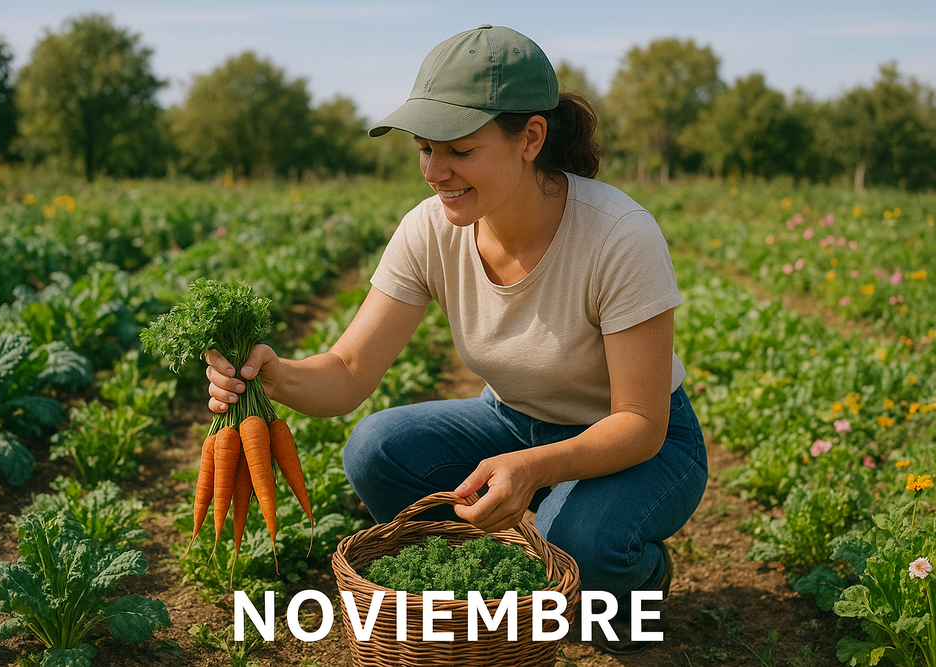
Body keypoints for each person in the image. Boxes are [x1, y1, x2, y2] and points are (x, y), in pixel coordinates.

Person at [205, 24, 707, 655]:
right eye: (424, 149)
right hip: (513, 421)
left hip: (637, 444)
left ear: (531, 139)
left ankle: (638, 579)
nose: (434, 172)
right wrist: (273, 373)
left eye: (460, 151)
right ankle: (490, 576)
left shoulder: (617, 234)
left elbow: (640, 422)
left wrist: (533, 469)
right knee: (377, 450)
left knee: (577, 552)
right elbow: (349, 369)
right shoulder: (430, 230)